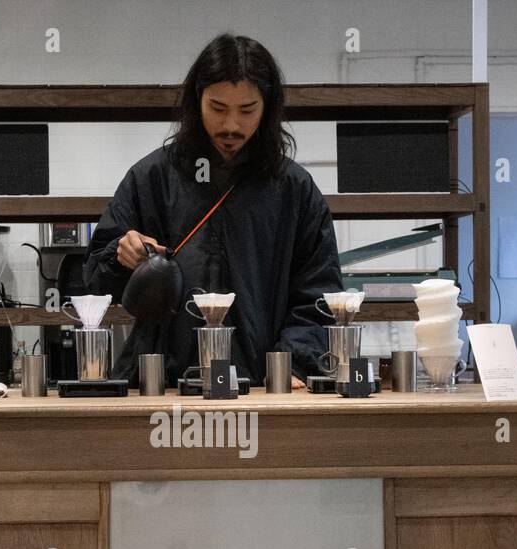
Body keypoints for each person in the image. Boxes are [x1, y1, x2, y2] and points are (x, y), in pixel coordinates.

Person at [83, 33, 342, 389]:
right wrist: (120, 254)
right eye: (218, 108)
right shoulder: (153, 178)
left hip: (263, 384)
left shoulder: (294, 189)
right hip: (160, 381)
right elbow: (96, 279)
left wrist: (294, 363)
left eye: (247, 110)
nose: (231, 125)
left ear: (268, 108)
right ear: (196, 101)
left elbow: (318, 294)